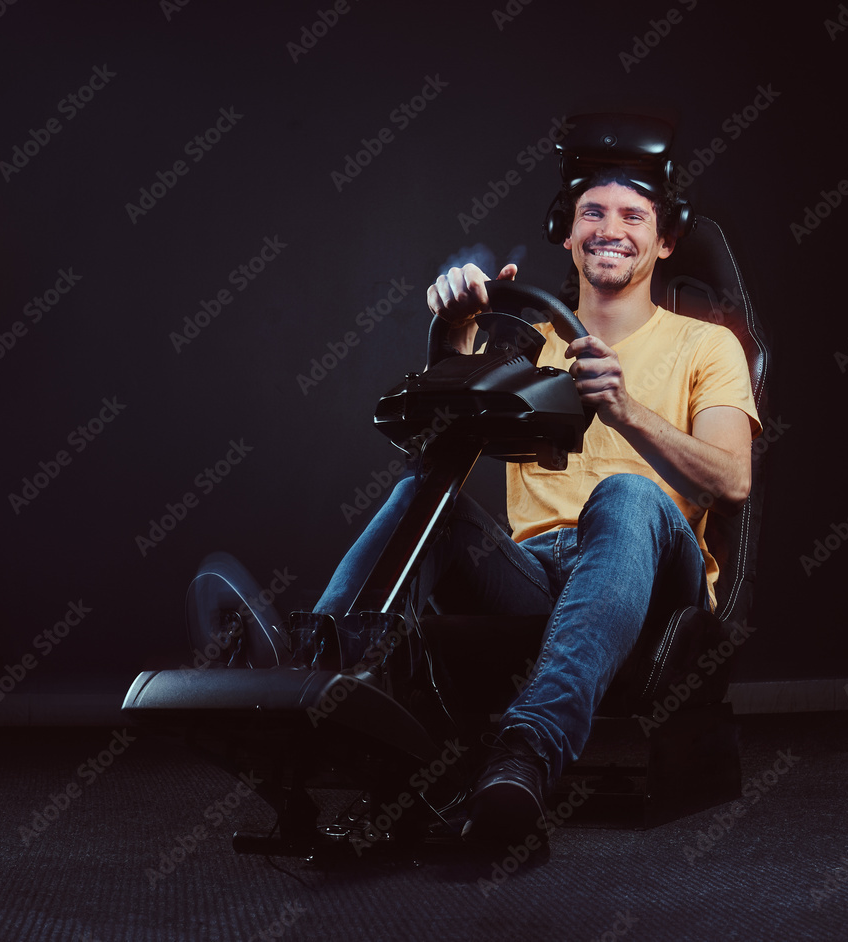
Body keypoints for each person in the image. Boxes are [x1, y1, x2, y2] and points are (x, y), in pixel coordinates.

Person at [314, 165, 762, 844]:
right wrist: (454, 334)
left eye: (632, 216)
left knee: (627, 492)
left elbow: (732, 481)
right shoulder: (526, 347)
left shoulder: (707, 344)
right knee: (421, 494)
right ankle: (313, 676)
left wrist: (625, 409)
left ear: (664, 241)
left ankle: (525, 753)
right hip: (534, 578)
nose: (609, 229)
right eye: (592, 213)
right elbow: (437, 454)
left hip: (653, 577)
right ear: (565, 231)